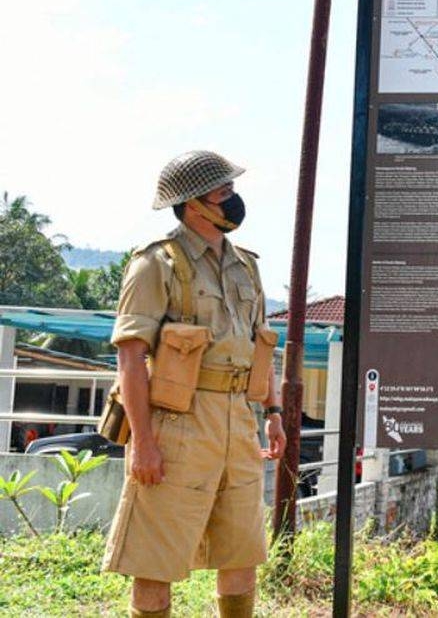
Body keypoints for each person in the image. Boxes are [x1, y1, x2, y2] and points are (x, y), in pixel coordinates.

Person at [102, 150, 286, 618]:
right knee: (154, 562)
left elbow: (261, 344)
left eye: (231, 190)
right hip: (177, 425)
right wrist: (143, 443)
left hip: (239, 423)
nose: (233, 200)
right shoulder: (156, 263)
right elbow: (130, 356)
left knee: (241, 555)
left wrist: (274, 413)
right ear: (192, 203)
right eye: (223, 192)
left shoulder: (246, 266)